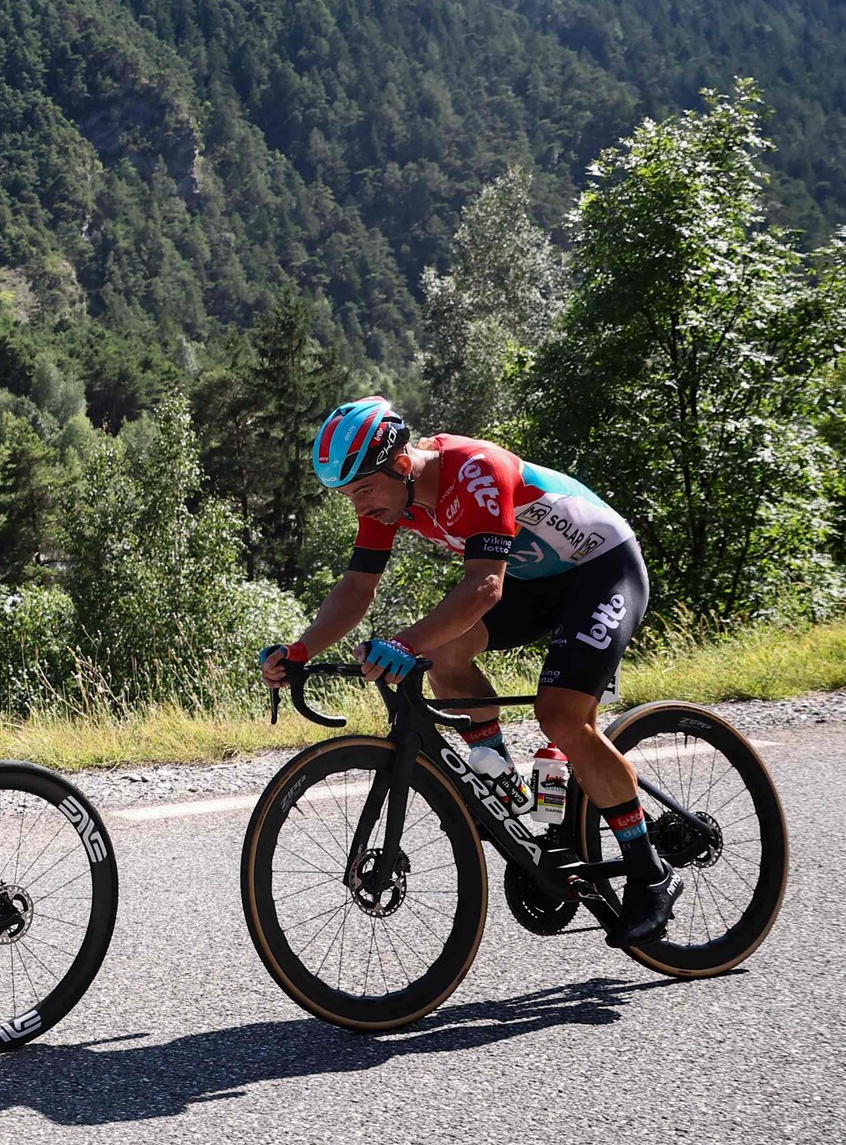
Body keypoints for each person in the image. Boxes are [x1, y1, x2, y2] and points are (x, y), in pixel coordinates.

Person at [262, 397, 681, 946]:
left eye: (362, 490)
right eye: (348, 496)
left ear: (401, 464)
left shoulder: (476, 470)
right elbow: (358, 587)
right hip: (534, 585)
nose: (359, 505)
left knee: (561, 718)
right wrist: (301, 649)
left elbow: (485, 586)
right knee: (444, 655)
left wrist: (404, 642)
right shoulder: (388, 498)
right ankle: (500, 783)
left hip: (601, 570)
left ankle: (651, 873)